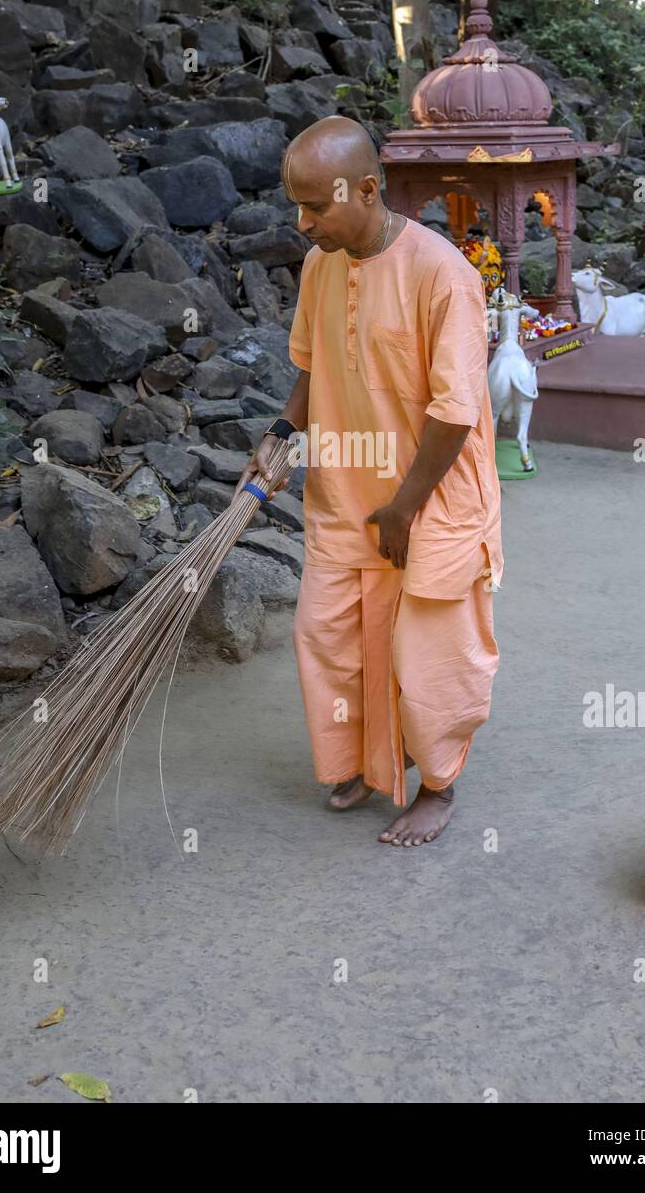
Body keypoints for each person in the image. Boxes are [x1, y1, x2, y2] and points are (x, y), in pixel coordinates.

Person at [236, 115, 502, 846]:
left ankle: (438, 787)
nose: (302, 222)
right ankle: (356, 760)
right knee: (327, 638)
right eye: (297, 205)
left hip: (429, 504)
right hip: (344, 497)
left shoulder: (442, 274)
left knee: (426, 660)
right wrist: (281, 436)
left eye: (315, 206)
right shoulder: (323, 263)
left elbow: (455, 412)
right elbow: (313, 363)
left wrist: (403, 509)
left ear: (364, 189)